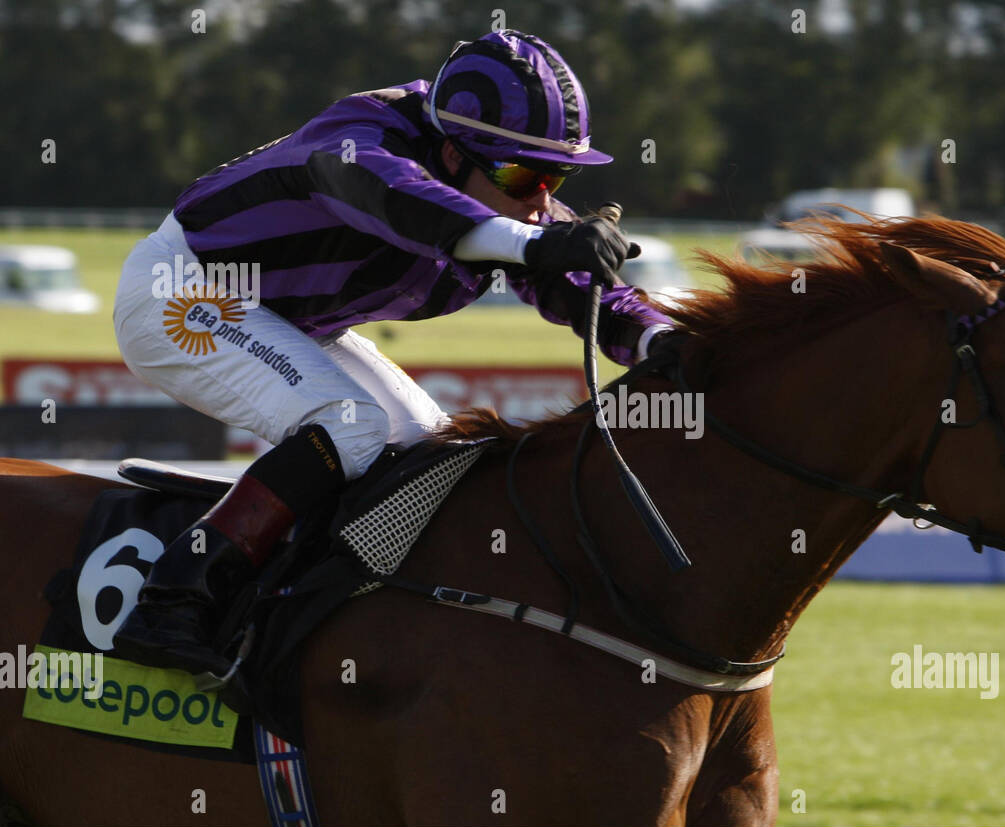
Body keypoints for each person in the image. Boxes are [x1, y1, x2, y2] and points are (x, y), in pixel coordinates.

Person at [111, 29, 674, 678]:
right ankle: (173, 600)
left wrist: (664, 340)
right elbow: (410, 208)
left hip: (289, 321)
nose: (541, 200)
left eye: (557, 175)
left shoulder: (498, 189)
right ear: (448, 152)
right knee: (349, 424)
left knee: (435, 455)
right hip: (181, 294)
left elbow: (576, 286)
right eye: (523, 174)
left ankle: (318, 616)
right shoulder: (359, 144)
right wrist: (535, 245)